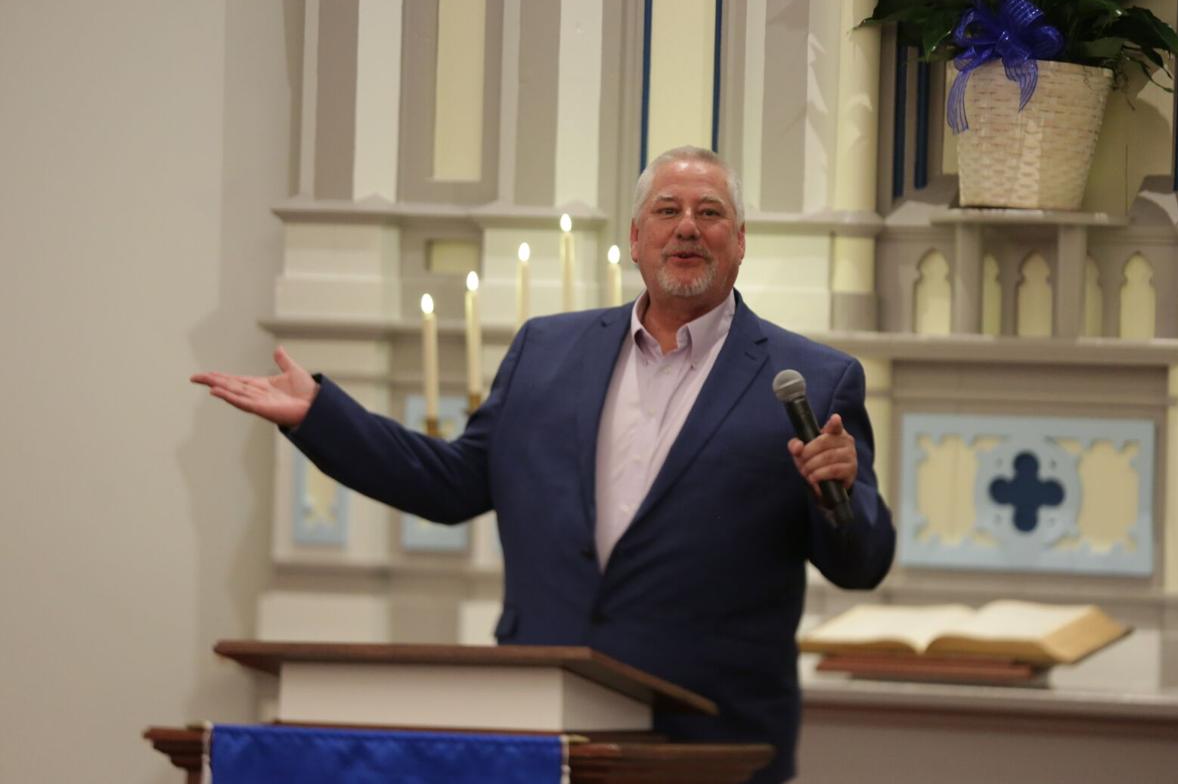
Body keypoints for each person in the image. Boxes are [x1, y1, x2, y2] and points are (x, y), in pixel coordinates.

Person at [193, 146, 896, 783]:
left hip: (709, 739)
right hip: (547, 727)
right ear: (635, 238)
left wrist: (835, 492)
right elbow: (452, 484)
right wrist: (322, 416)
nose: (687, 226)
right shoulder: (547, 351)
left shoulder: (811, 378)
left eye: (710, 212)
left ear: (739, 242)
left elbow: (859, 561)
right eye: (666, 210)